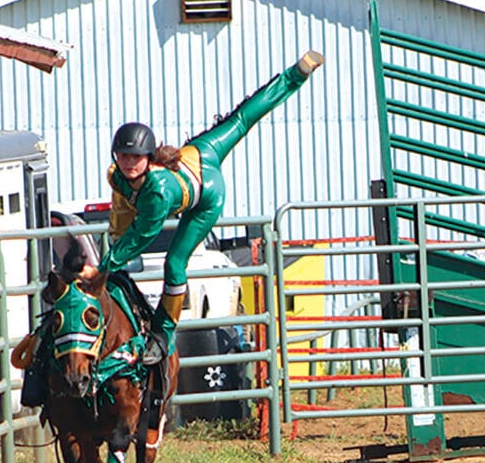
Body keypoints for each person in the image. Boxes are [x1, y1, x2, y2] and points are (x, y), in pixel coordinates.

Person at [80, 50, 324, 363]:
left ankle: (163, 333)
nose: (128, 163)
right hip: (195, 155)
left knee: (175, 263)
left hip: (205, 197)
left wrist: (103, 267)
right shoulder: (117, 175)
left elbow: (141, 237)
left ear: (149, 158)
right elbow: (123, 211)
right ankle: (296, 73)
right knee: (239, 118)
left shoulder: (157, 192)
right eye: (123, 157)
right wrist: (113, 244)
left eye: (135, 158)